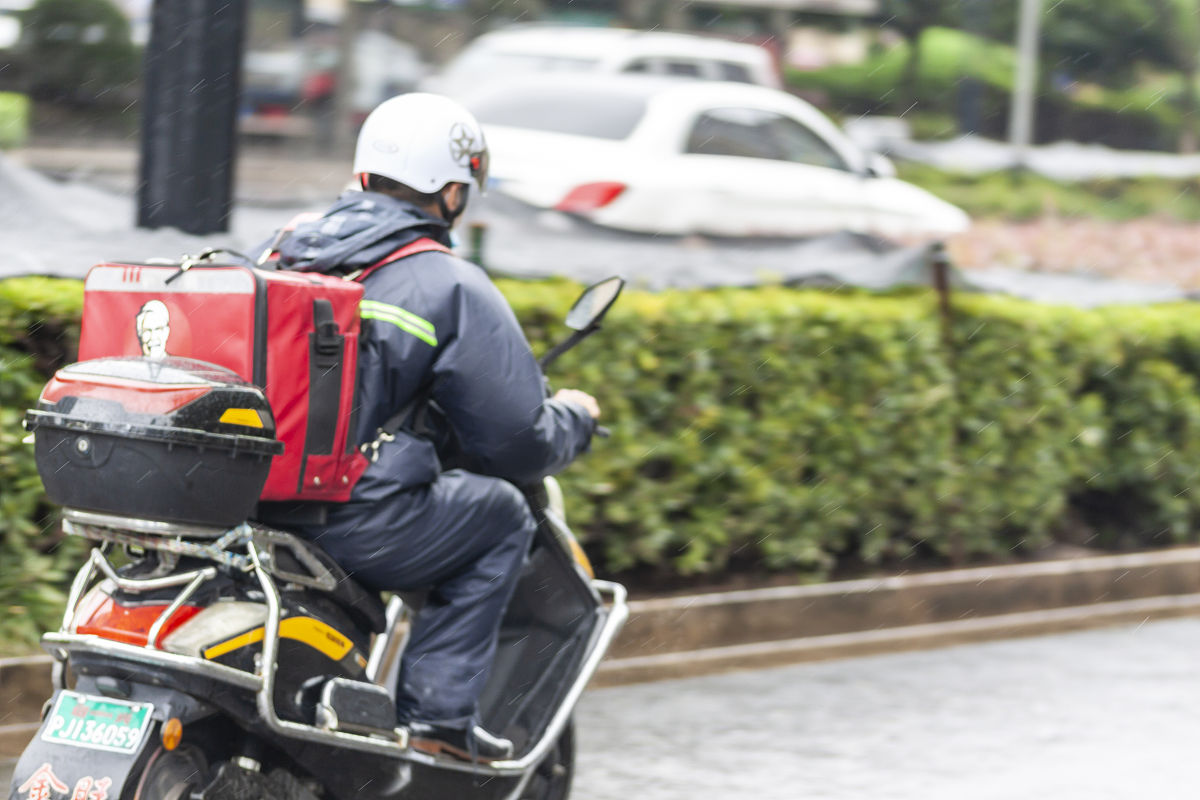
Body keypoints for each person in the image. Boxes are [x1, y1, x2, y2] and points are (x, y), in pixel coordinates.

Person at [267, 93, 600, 761]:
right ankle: (440, 726)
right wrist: (574, 418)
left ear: (363, 176)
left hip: (243, 505)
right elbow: (517, 443)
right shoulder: (447, 284)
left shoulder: (277, 251)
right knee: (500, 513)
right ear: (452, 193)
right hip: (347, 520)